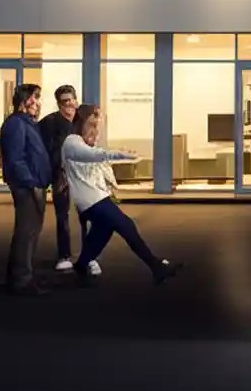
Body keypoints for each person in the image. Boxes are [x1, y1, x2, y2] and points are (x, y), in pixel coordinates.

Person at [61, 103, 183, 287]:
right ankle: (156, 266)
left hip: (95, 198)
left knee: (103, 230)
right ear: (83, 122)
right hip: (90, 200)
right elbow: (95, 156)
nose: (95, 129)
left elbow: (96, 164)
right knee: (125, 225)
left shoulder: (81, 142)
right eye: (92, 124)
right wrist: (123, 155)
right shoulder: (72, 142)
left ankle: (81, 265)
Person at [39, 84, 99, 275]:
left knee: (88, 216)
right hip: (62, 175)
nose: (69, 104)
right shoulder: (49, 123)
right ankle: (64, 255)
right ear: (58, 104)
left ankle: (89, 257)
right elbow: (44, 151)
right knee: (63, 216)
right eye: (65, 101)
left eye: (72, 99)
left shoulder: (83, 121)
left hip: (83, 175)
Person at [0, 83, 54, 296]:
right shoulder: (16, 124)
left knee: (30, 232)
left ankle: (21, 277)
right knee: (26, 233)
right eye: (35, 98)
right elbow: (15, 158)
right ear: (25, 101)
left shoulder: (28, 123)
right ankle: (22, 280)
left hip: (34, 184)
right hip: (26, 187)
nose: (38, 104)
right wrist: (31, 183)